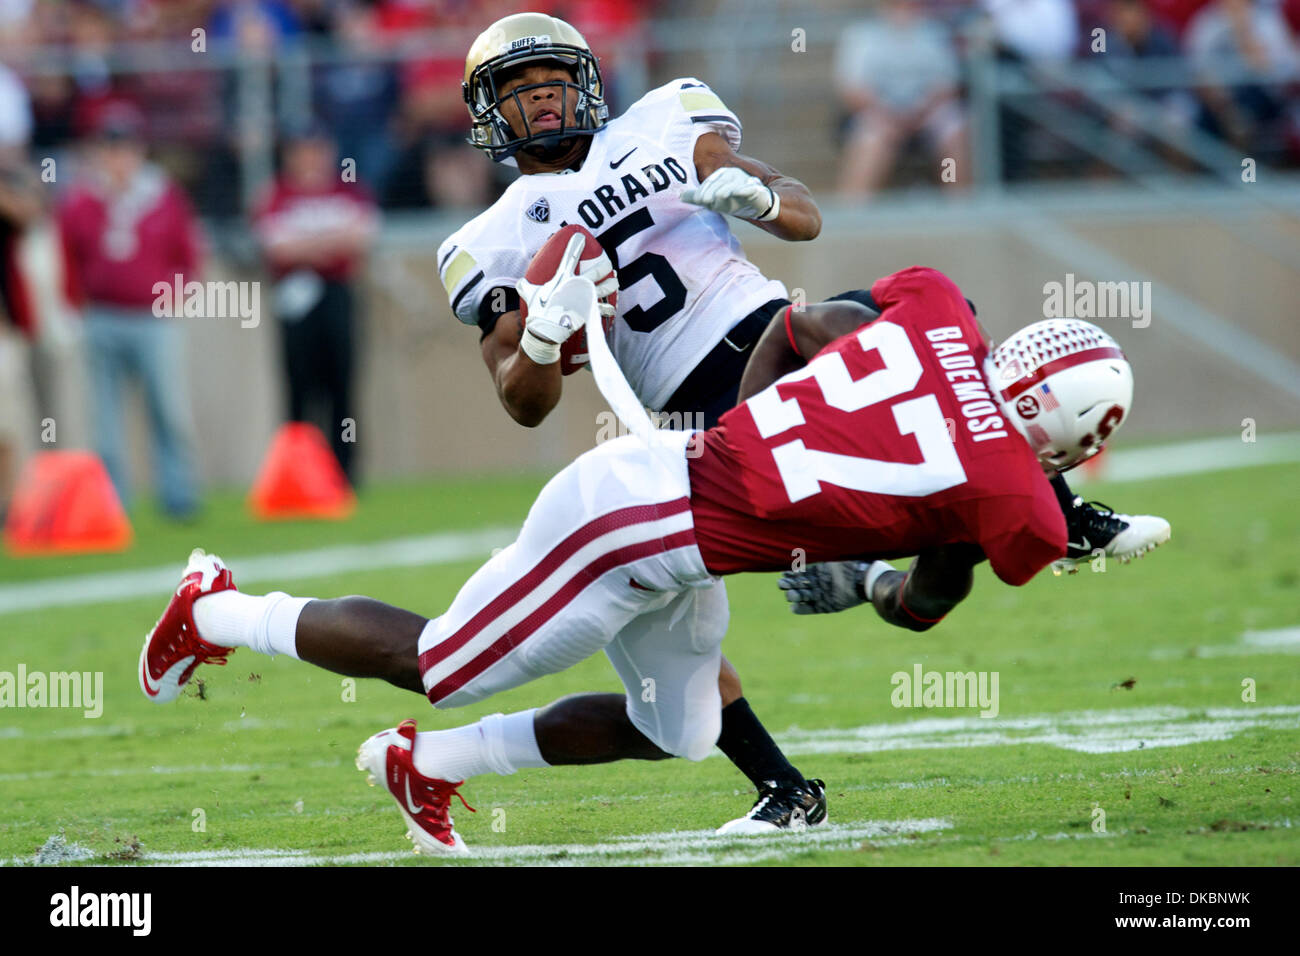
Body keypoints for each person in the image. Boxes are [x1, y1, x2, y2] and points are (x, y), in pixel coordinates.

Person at [433, 12, 1169, 831]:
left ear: (587, 82)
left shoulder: (663, 123)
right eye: (519, 91)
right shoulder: (489, 238)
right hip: (693, 410)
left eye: (553, 82)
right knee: (680, 636)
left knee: (927, 329)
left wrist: (759, 201)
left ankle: (1024, 523)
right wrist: (540, 331)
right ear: (489, 112)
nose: (541, 102)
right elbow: (522, 399)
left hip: (777, 333)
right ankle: (802, 749)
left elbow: (804, 212)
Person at [137, 264, 1143, 855]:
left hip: (670, 507)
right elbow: (925, 607)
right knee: (439, 662)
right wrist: (879, 578)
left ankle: (426, 765)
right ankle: (214, 607)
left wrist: (749, 431)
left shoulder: (935, 308)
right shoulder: (1015, 505)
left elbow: (801, 322)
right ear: (1067, 426)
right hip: (630, 526)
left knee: (681, 724)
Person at [58, 100, 203, 519]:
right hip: (101, 315)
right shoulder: (82, 199)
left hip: (152, 317)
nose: (118, 157)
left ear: (138, 152)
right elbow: (69, 256)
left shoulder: (162, 195)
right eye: (110, 147)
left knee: (168, 408)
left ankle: (178, 493)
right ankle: (113, 501)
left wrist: (175, 296)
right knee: (104, 418)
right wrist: (73, 308)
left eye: (125, 147)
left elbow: (186, 252)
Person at [253, 120, 379, 486]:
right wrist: (328, 243)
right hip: (294, 296)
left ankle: (345, 471)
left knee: (342, 384)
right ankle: (299, 474)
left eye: (316, 149)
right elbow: (275, 246)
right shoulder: (277, 193)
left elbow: (362, 235)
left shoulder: (348, 188)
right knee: (298, 387)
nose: (309, 158)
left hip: (337, 292)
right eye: (301, 151)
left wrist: (306, 246)